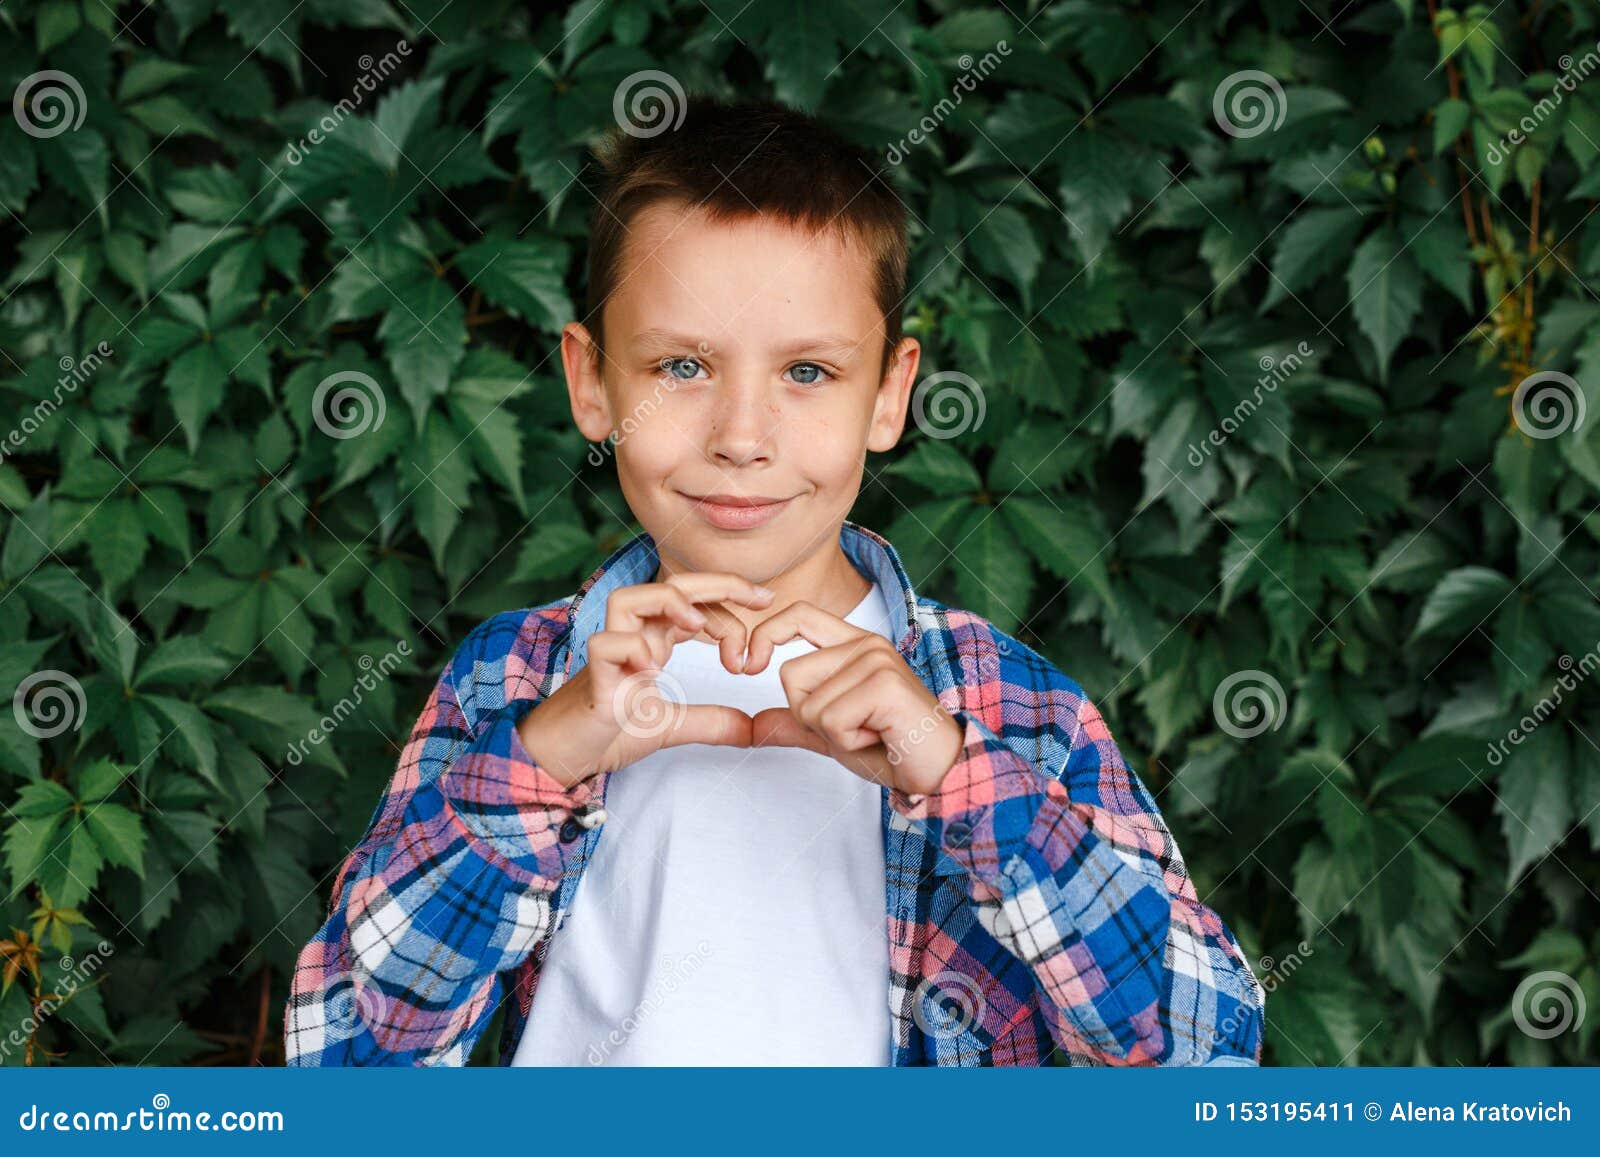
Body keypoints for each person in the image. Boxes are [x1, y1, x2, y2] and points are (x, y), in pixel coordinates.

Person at [284, 95, 1264, 1067]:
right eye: (681, 365)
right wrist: (539, 761)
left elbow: (1202, 1054)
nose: (742, 438)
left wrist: (958, 777)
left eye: (807, 373)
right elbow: (346, 1059)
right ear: (591, 383)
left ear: (888, 394)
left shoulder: (1011, 704)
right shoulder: (514, 678)